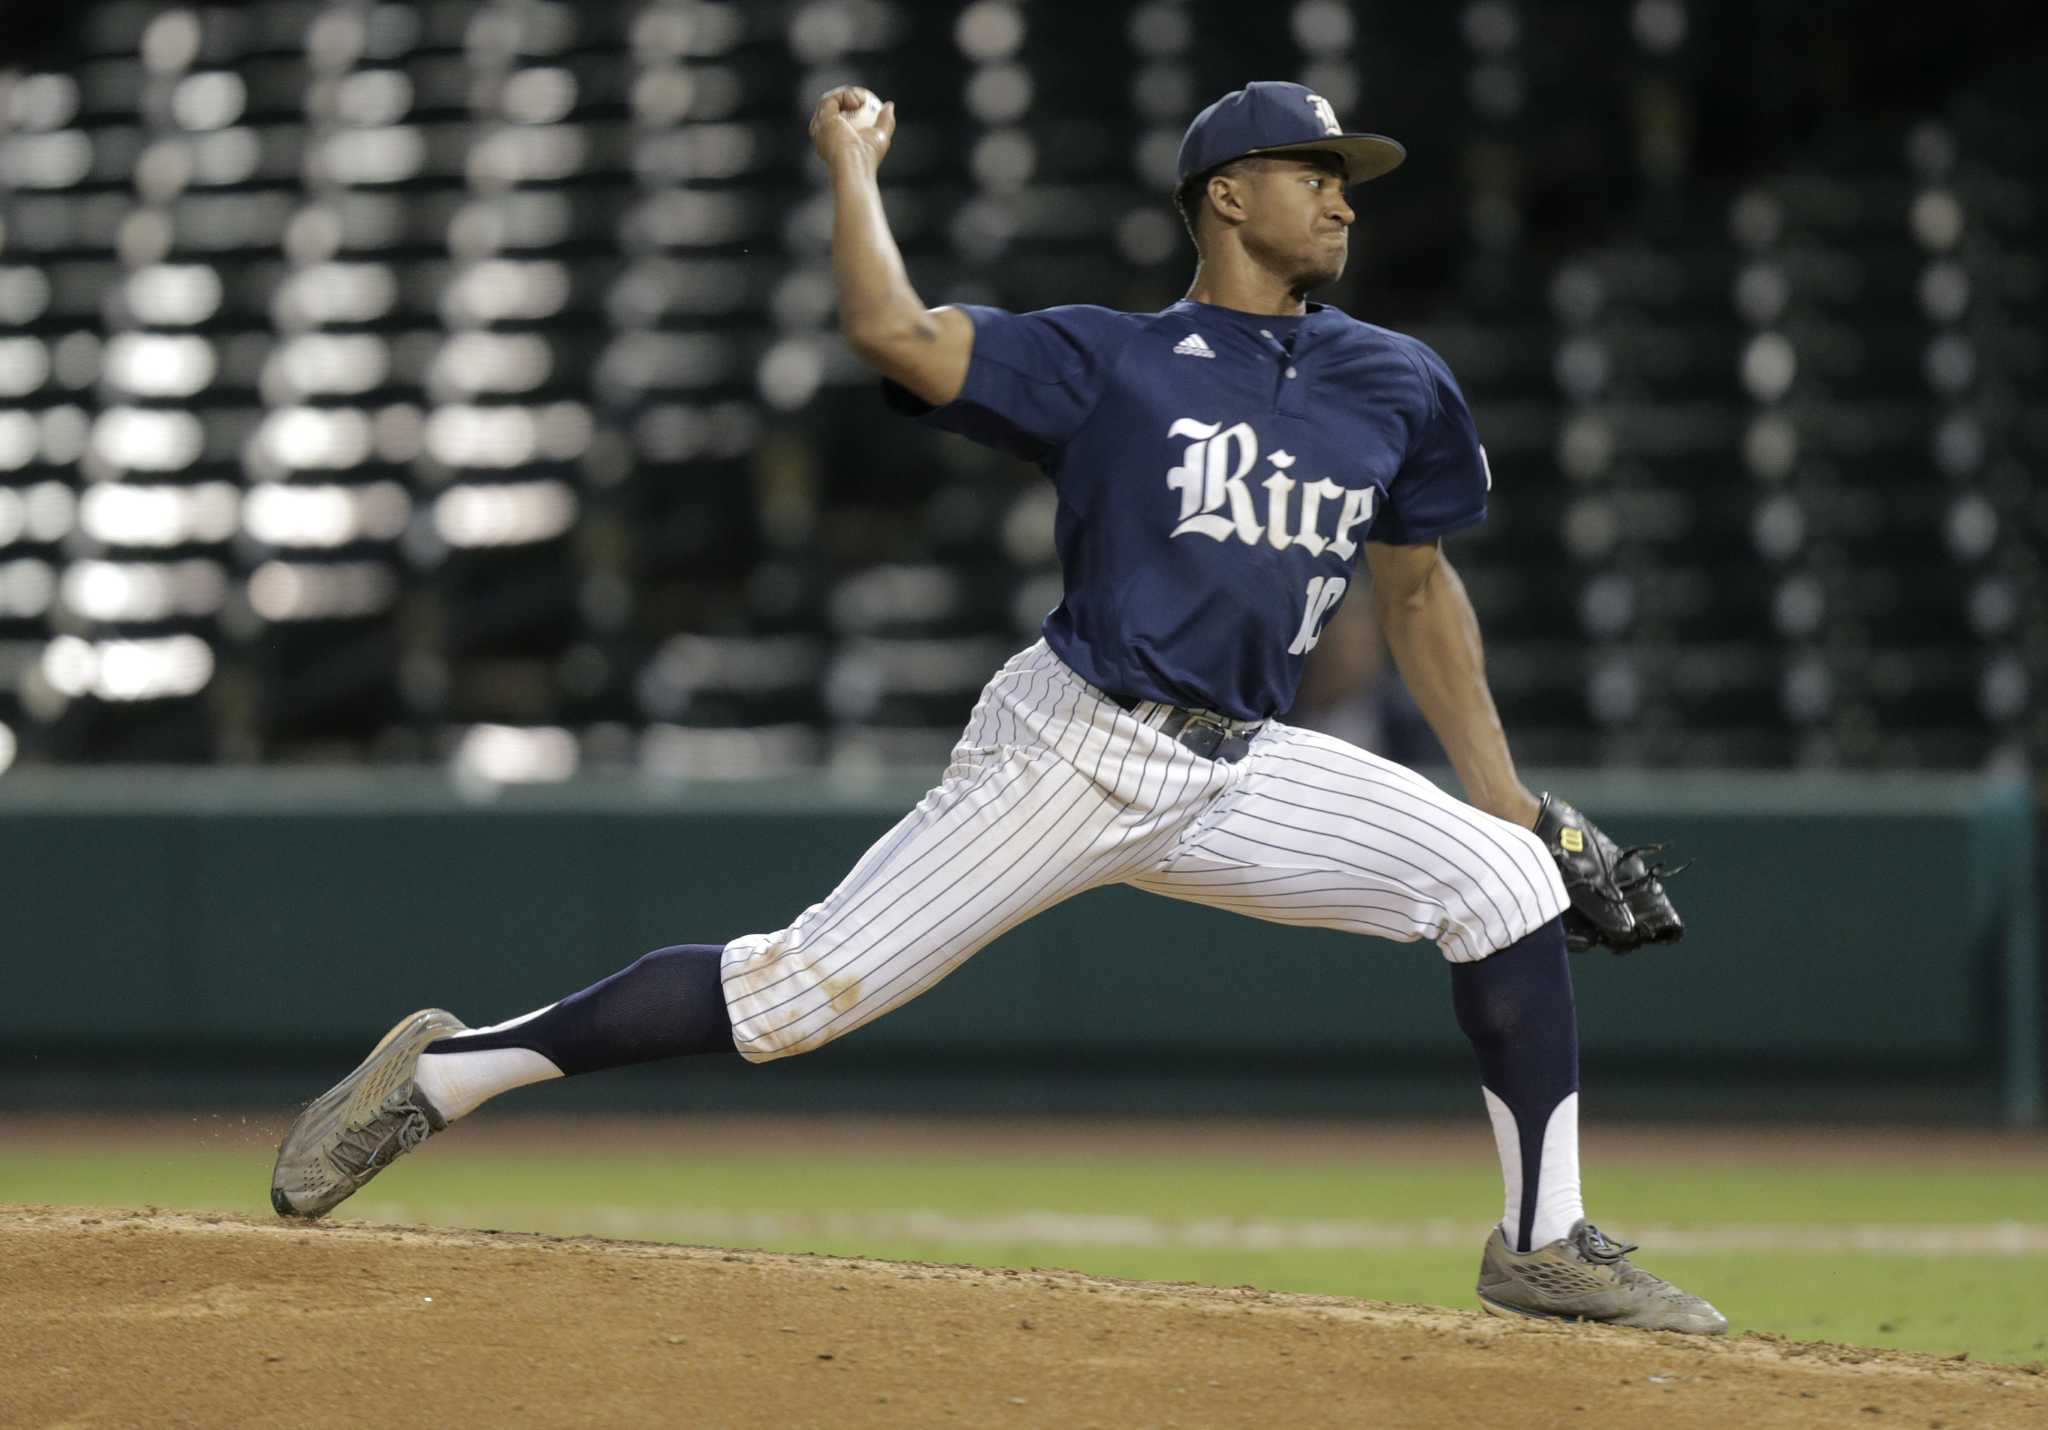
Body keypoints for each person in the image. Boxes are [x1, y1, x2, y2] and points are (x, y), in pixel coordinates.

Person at [272, 81, 1721, 1334]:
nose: (1342, 201)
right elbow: (894, 334)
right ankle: (449, 1073)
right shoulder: (1111, 359)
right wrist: (851, 169)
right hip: (1074, 746)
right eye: (1314, 173)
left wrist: (1513, 803)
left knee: (1501, 880)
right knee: (788, 999)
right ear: (1228, 195)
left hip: (1247, 762)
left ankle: (1544, 1246)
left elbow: (1418, 597)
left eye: (1347, 181)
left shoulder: (1393, 379)